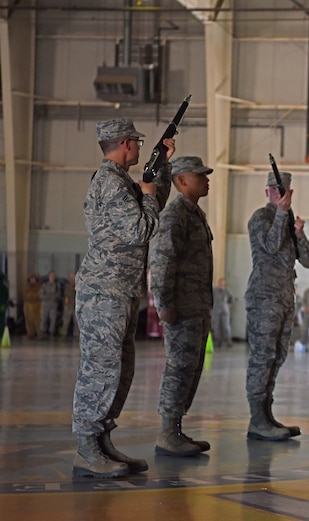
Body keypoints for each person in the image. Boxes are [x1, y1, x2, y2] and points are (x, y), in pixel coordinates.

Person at [72, 118, 175, 478]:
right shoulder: (111, 183)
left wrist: (161, 168)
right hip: (105, 291)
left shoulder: (122, 182)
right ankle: (87, 446)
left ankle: (102, 440)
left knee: (119, 369)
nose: (138, 148)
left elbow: (152, 201)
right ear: (126, 144)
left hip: (122, 290)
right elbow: (140, 228)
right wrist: (147, 194)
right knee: (100, 370)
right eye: (137, 143)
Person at [149, 156, 214, 457]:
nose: (206, 179)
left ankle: (176, 429)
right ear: (182, 180)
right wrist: (164, 303)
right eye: (200, 175)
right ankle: (167, 432)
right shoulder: (175, 215)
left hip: (197, 306)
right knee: (178, 368)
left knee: (192, 368)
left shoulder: (195, 213)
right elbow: (162, 262)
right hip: (182, 308)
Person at [245, 170, 309, 441]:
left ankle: (266, 414)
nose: (278, 193)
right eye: (273, 189)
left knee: (275, 358)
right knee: (262, 358)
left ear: (289, 192)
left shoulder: (287, 221)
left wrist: (298, 233)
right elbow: (271, 247)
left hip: (284, 300)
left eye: (282, 189)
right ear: (267, 192)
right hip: (264, 299)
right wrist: (281, 216)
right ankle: (257, 419)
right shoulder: (261, 218)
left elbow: (308, 260)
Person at [212, 277, 234, 348]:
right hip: (216, 311)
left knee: (226, 325)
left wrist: (228, 305)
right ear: (218, 283)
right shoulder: (214, 291)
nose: (221, 285)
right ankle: (218, 340)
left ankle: (228, 339)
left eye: (223, 284)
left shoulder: (227, 291)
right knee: (216, 325)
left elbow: (232, 298)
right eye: (220, 283)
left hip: (225, 311)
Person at [39, 270, 61, 339]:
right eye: (51, 276)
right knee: (43, 319)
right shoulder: (44, 285)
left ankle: (51, 333)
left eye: (53, 276)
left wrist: (54, 297)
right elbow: (41, 295)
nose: (52, 277)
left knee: (53, 319)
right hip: (45, 304)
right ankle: (42, 333)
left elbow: (58, 295)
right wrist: (48, 296)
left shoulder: (57, 286)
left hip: (53, 305)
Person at [22, 273, 42, 339]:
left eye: (33, 279)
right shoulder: (27, 287)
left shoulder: (39, 288)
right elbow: (25, 295)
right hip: (27, 306)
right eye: (31, 279)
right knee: (28, 320)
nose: (32, 281)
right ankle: (30, 333)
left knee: (37, 321)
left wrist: (31, 296)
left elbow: (38, 296)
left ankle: (39, 333)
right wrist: (29, 296)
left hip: (36, 306)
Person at [60, 272, 78, 339]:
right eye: (71, 277)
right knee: (66, 321)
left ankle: (77, 335)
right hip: (68, 305)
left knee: (76, 322)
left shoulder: (78, 285)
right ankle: (64, 334)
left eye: (73, 277)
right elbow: (66, 295)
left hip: (76, 305)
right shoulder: (67, 286)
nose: (72, 279)